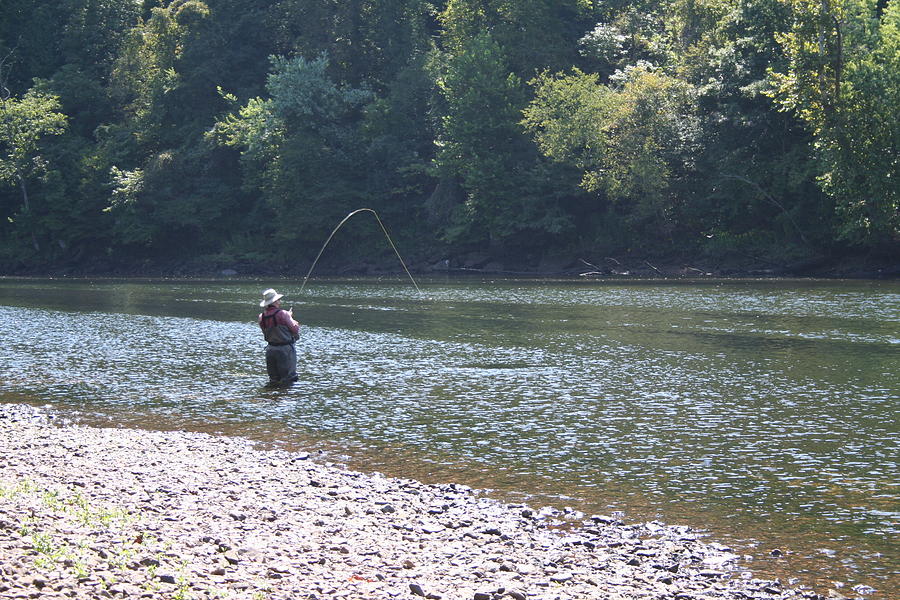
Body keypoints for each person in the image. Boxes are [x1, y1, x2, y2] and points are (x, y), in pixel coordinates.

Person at [258, 288, 300, 386]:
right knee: (289, 379)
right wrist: (290, 317)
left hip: (270, 350)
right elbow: (295, 329)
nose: (279, 302)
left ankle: (272, 394)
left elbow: (265, 332)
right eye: (278, 300)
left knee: (273, 380)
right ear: (275, 301)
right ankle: (285, 395)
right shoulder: (283, 314)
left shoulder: (261, 317)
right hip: (285, 350)